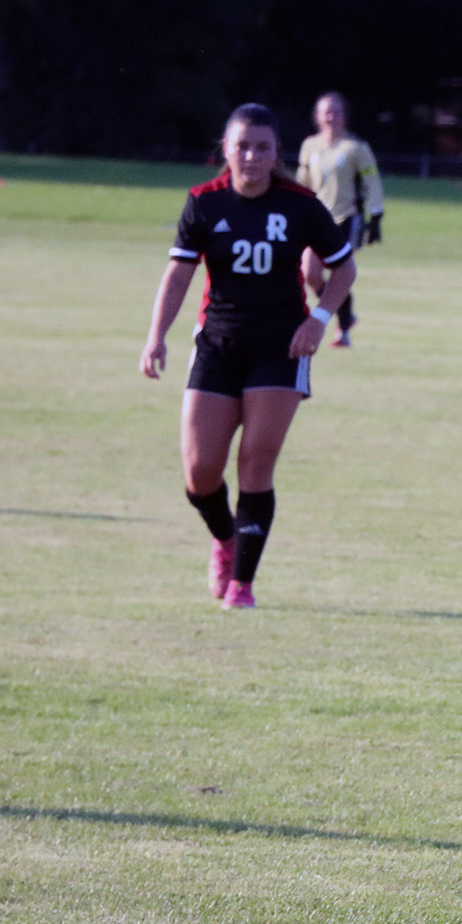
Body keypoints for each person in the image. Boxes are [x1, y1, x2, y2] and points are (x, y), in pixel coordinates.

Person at [140, 103, 357, 609]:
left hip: (281, 347)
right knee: (200, 472)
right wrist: (156, 336)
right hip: (216, 344)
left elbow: (343, 270)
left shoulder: (301, 205)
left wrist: (318, 320)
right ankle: (225, 537)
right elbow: (178, 276)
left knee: (255, 463)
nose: (252, 157)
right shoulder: (204, 203)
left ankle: (242, 583)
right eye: (242, 146)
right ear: (226, 150)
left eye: (262, 147)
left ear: (277, 152)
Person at [296, 91, 384, 348]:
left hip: (347, 218)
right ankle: (345, 312)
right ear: (318, 117)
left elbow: (372, 182)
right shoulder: (310, 146)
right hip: (316, 219)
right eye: (326, 111)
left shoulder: (356, 148)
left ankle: (343, 329)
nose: (331, 116)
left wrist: (376, 215)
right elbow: (303, 184)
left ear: (344, 117)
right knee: (310, 274)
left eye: (336, 111)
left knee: (338, 273)